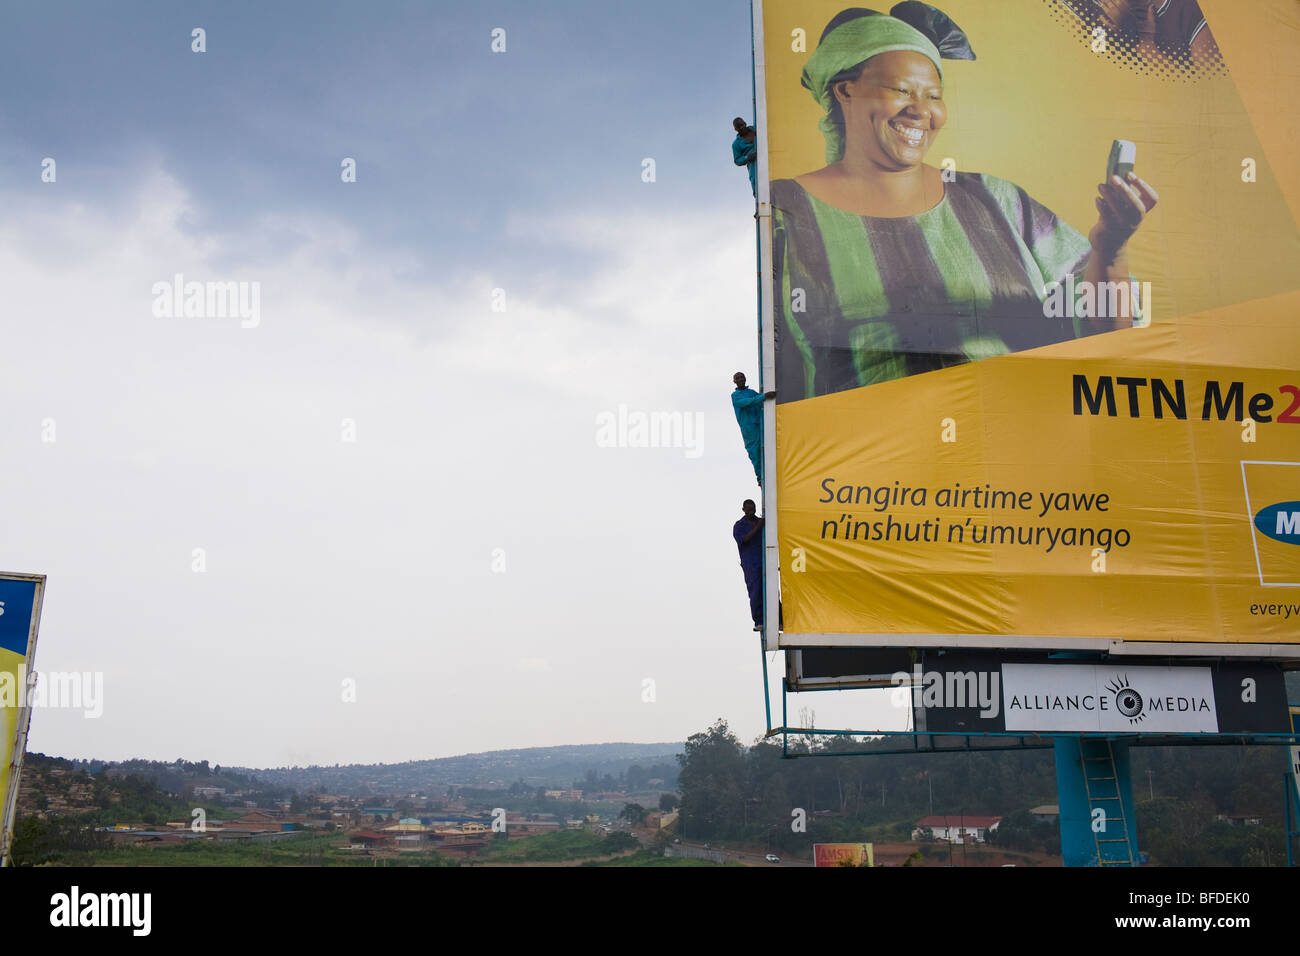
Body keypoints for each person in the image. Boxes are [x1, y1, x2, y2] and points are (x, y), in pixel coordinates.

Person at [773, 3, 1159, 400]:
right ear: (845, 90)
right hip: (883, 454)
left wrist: (1109, 249)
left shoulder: (996, 201)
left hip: (1030, 444)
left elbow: (1108, 337)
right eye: (901, 90)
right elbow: (779, 375)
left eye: (933, 96)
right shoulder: (784, 214)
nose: (922, 111)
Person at [732, 372, 775, 486]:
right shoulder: (735, 395)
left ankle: (769, 473)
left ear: (745, 378)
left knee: (768, 448)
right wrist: (764, 396)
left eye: (742, 377)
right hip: (749, 429)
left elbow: (761, 400)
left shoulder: (752, 392)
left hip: (760, 424)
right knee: (755, 452)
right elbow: (746, 403)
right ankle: (760, 478)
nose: (740, 379)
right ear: (734, 381)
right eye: (738, 378)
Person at [733, 500, 765, 631]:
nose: (751, 511)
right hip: (751, 564)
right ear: (743, 509)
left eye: (753, 508)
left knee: (771, 589)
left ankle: (778, 618)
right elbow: (744, 539)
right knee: (755, 591)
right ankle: (759, 620)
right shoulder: (739, 525)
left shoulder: (760, 522)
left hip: (765, 560)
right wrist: (758, 528)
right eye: (749, 509)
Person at [732, 117, 758, 197]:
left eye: (742, 125)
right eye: (738, 127)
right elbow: (737, 160)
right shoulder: (736, 144)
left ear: (745, 123)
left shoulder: (756, 128)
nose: (741, 128)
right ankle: (757, 195)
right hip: (753, 163)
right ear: (735, 129)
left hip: (767, 155)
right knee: (755, 179)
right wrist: (748, 157)